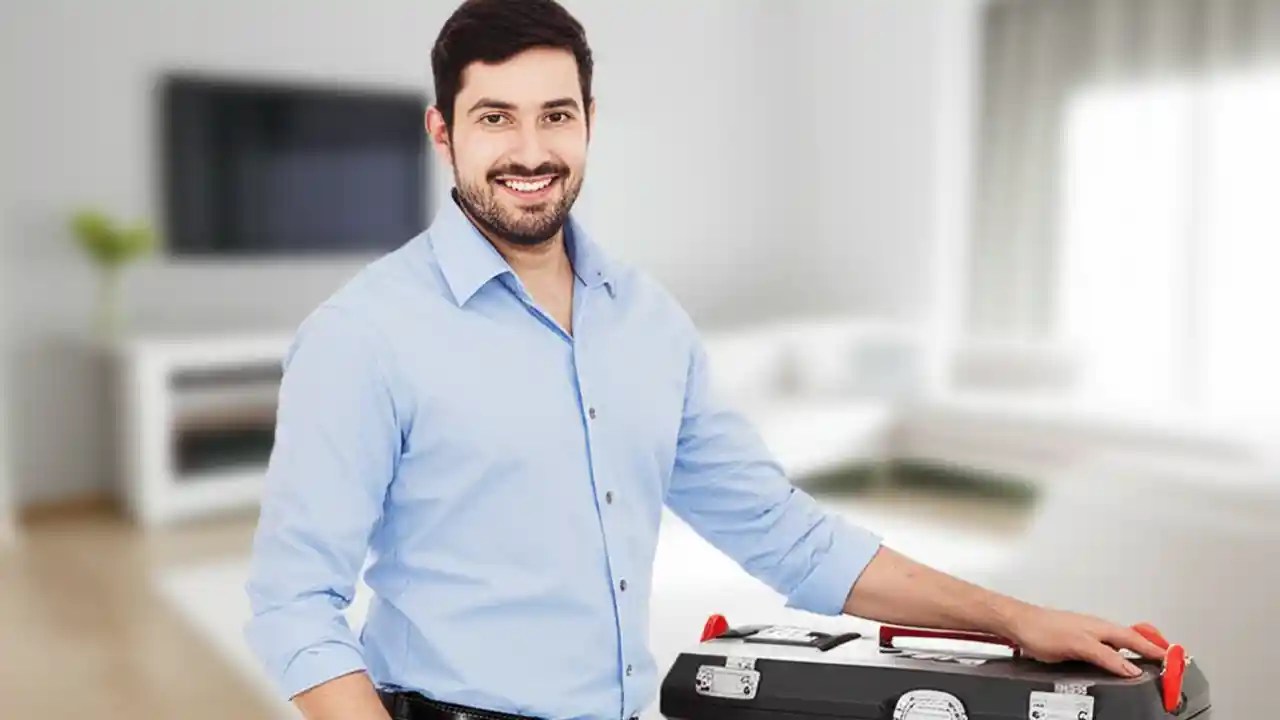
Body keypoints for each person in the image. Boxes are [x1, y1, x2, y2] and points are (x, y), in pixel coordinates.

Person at [243, 1, 1165, 718]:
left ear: (590, 120)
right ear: (443, 131)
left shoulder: (648, 323)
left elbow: (786, 536)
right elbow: (293, 603)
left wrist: (1015, 619)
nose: (530, 152)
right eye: (496, 119)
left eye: (555, 115)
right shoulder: (361, 334)